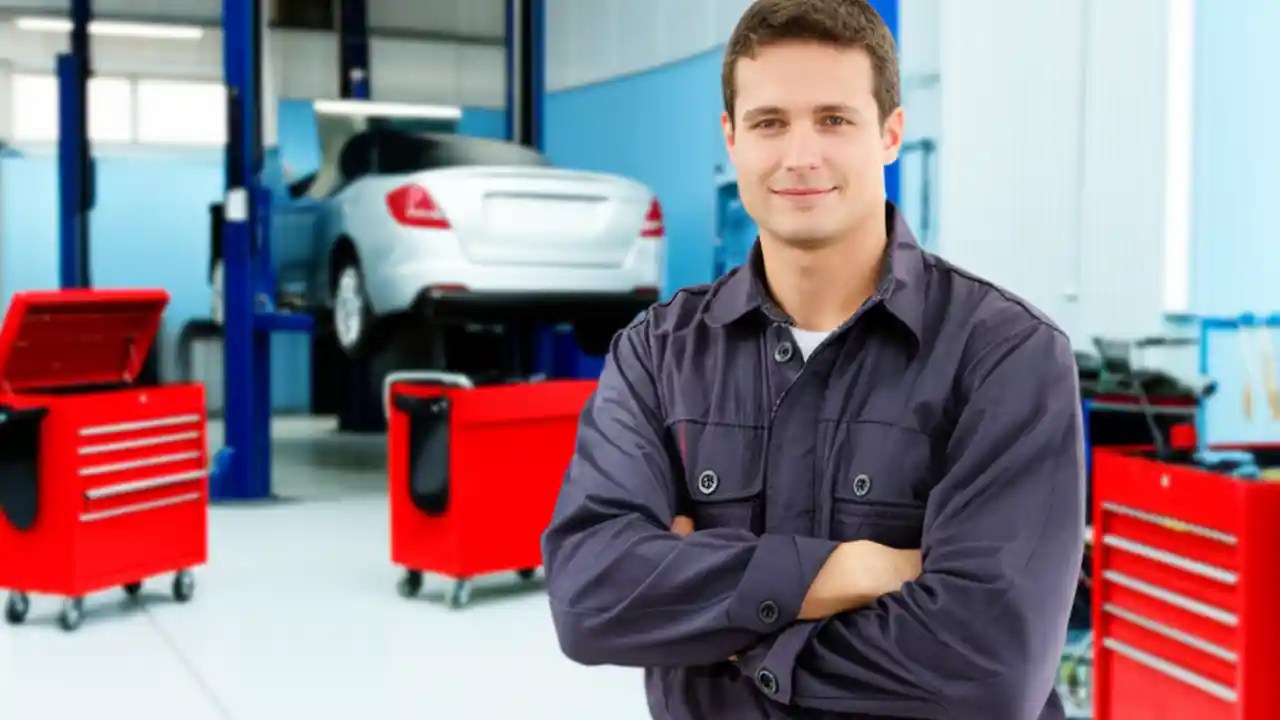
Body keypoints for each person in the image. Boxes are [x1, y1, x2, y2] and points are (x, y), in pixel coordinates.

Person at [540, 0, 1085, 717]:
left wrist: (732, 633)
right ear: (731, 138)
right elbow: (588, 596)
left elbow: (991, 668)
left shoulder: (1004, 355)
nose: (801, 156)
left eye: (834, 119)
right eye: (769, 122)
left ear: (890, 133)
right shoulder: (657, 354)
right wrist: (844, 571)